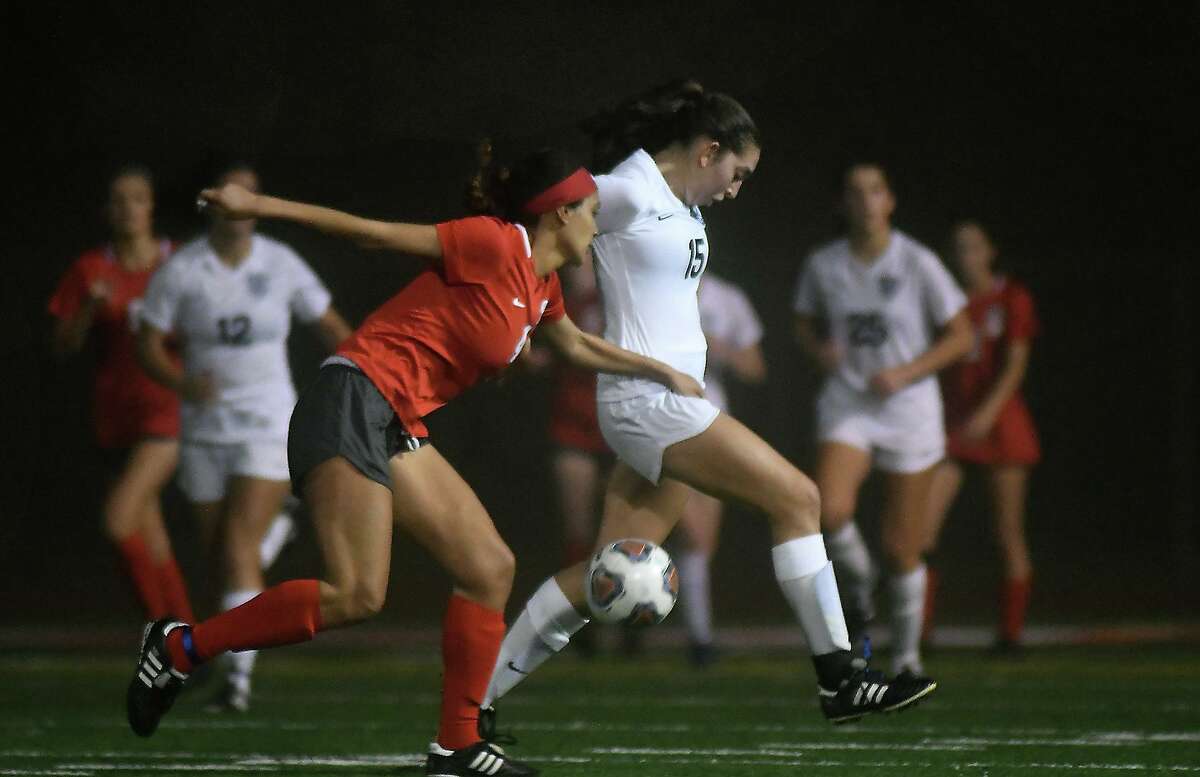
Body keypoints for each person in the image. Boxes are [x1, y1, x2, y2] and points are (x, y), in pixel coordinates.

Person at [125, 147, 703, 777]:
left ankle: (456, 748)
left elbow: (573, 345)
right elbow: (369, 234)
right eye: (591, 210)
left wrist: (659, 369)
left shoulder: (542, 286)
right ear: (559, 214)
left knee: (488, 566)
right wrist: (257, 205)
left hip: (394, 419)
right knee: (357, 594)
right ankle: (181, 647)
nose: (598, 222)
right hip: (351, 397)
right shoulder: (494, 243)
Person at [482, 82, 937, 732]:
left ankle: (477, 700)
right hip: (649, 405)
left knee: (601, 576)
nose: (735, 188)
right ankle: (841, 677)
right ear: (707, 151)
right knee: (799, 498)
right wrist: (513, 304)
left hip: (658, 406)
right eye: (737, 172)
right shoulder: (631, 190)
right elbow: (542, 218)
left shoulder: (677, 203)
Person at [136, 163, 353, 712]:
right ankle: (276, 537)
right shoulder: (183, 269)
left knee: (236, 547)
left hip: (266, 422)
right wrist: (180, 381)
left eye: (253, 193)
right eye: (233, 193)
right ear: (213, 202)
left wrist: (365, 375)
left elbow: (328, 324)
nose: (243, 202)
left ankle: (237, 683)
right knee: (224, 557)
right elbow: (148, 342)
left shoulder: (280, 263)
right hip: (206, 429)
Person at [793, 162, 974, 676]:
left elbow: (962, 335)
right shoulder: (823, 263)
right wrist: (818, 349)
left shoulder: (917, 262)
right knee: (828, 510)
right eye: (855, 191)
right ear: (842, 204)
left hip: (909, 408)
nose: (866, 200)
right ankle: (859, 580)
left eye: (876, 190)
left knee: (903, 548)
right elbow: (803, 322)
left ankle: (908, 657)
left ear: (890, 200)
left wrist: (909, 371)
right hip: (849, 401)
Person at [48, 166, 193, 626]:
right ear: (107, 211)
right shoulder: (91, 269)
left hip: (168, 413)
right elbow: (62, 346)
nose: (128, 208)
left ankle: (164, 638)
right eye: (119, 200)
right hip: (116, 419)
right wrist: (90, 307)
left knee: (118, 521)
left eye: (138, 198)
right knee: (152, 539)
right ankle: (189, 641)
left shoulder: (179, 264)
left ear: (151, 208)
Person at [923, 220, 1040, 651]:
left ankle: (1010, 636)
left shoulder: (1012, 297)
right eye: (958, 248)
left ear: (991, 251)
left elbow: (1015, 364)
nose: (964, 256)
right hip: (954, 427)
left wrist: (987, 415)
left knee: (1007, 531)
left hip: (1001, 425)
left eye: (973, 247)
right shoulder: (949, 302)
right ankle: (917, 632)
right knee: (921, 530)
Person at [674, 272, 767, 666]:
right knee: (690, 533)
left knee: (701, 541)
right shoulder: (654, 287)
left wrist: (719, 349)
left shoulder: (727, 298)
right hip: (663, 416)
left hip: (713, 421)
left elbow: (755, 368)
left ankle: (699, 638)